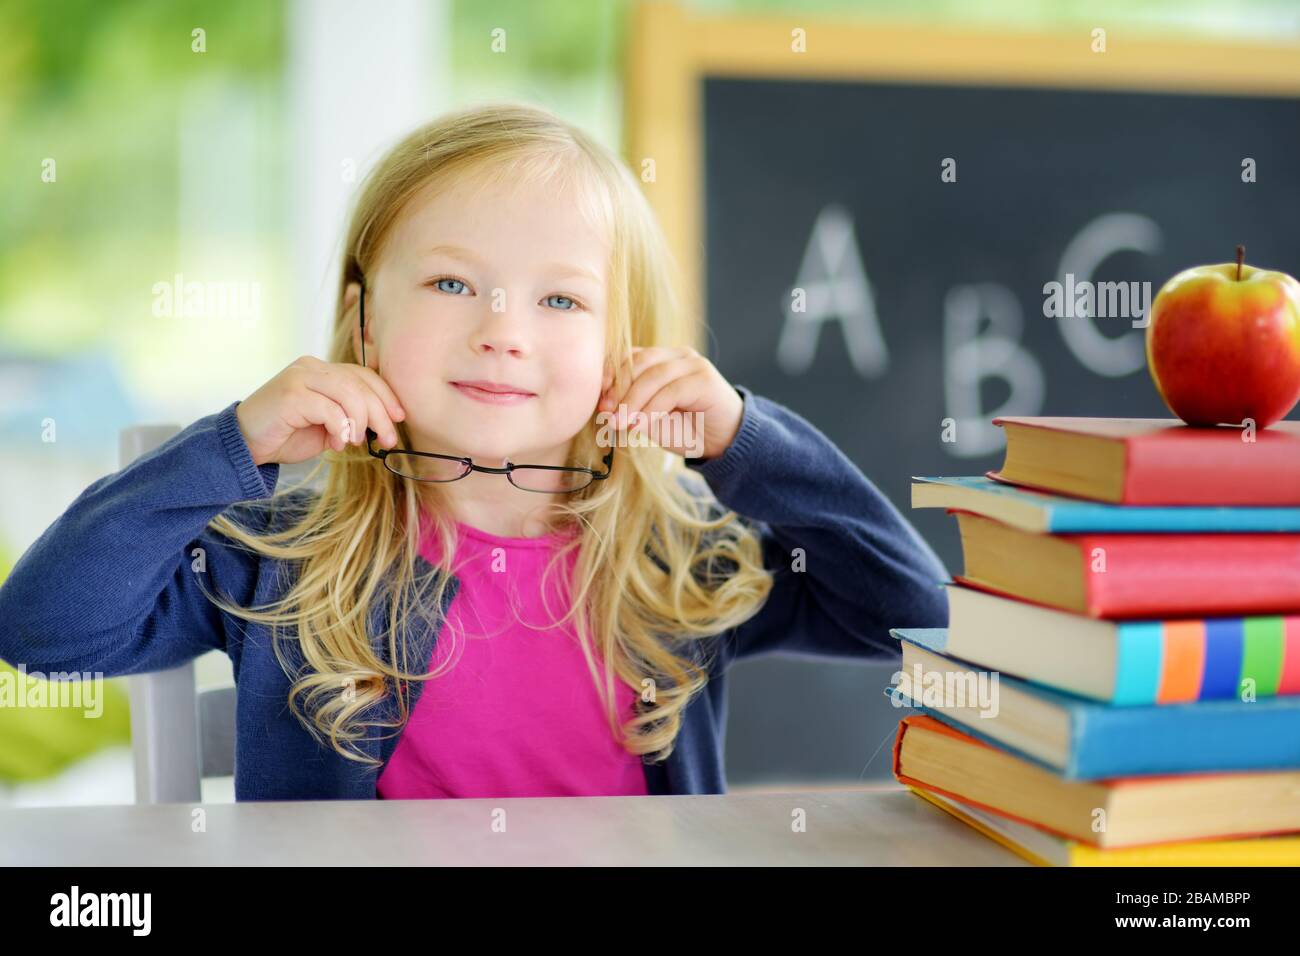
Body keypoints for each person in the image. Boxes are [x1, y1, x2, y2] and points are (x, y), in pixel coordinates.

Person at [0, 102, 948, 801]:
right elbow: (41, 631)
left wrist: (747, 439)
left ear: (629, 346)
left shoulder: (677, 558)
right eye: (453, 282)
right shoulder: (282, 553)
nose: (503, 331)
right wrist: (229, 448)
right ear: (363, 323)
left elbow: (920, 616)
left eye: (561, 299)